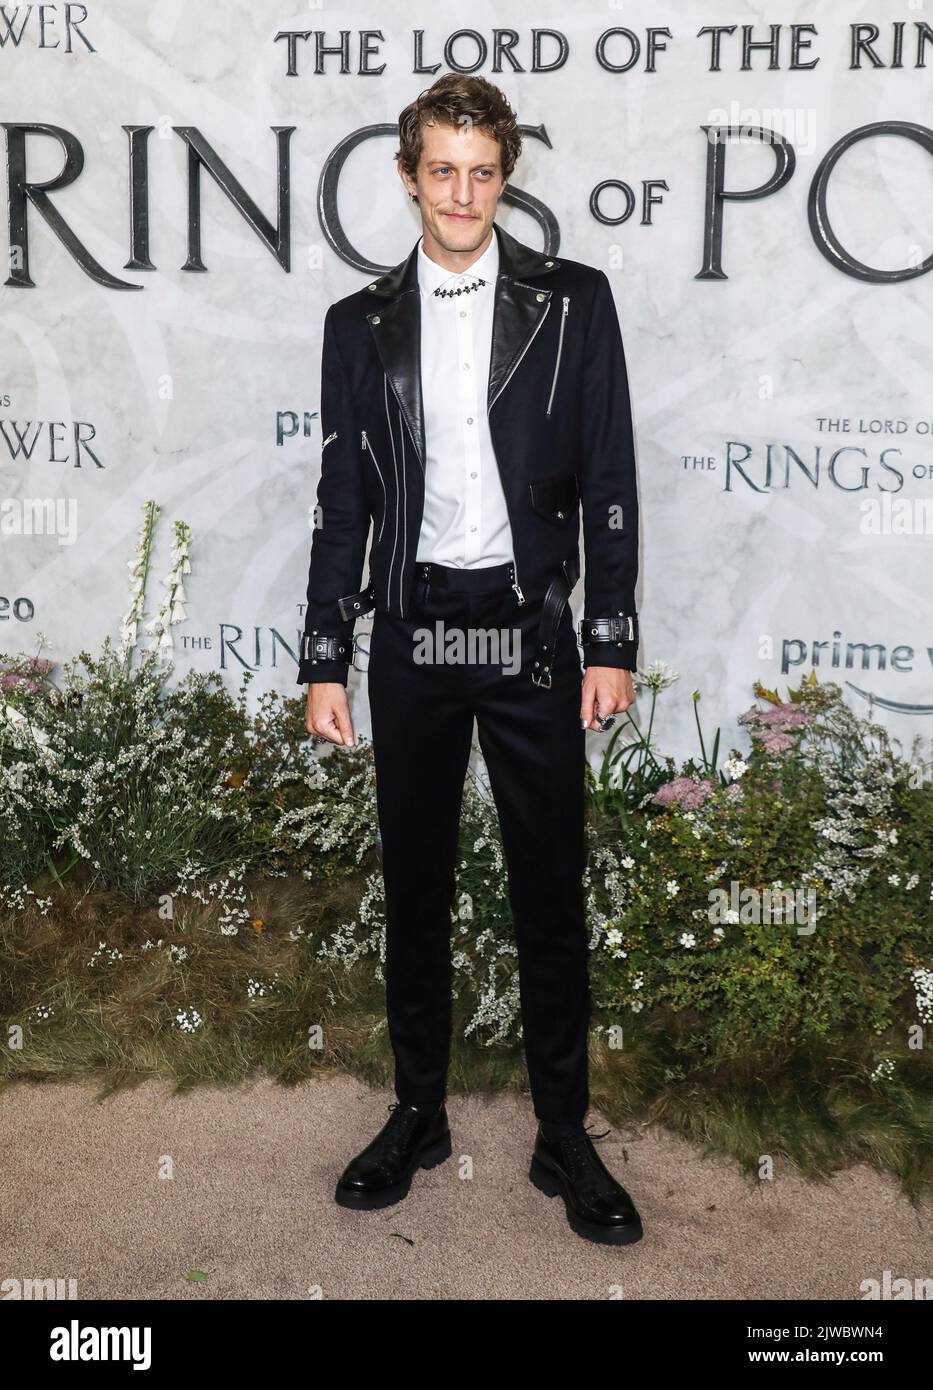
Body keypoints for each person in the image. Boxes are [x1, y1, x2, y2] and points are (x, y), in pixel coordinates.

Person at [297, 72, 642, 1245]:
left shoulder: (574, 304)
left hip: (531, 631)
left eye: (481, 171)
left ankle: (563, 1135)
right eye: (440, 170)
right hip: (414, 629)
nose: (461, 191)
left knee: (548, 889)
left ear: (506, 177)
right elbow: (341, 503)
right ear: (408, 178)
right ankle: (418, 1114)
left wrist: (610, 638)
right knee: (419, 887)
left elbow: (610, 478)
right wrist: (325, 659)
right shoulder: (358, 325)